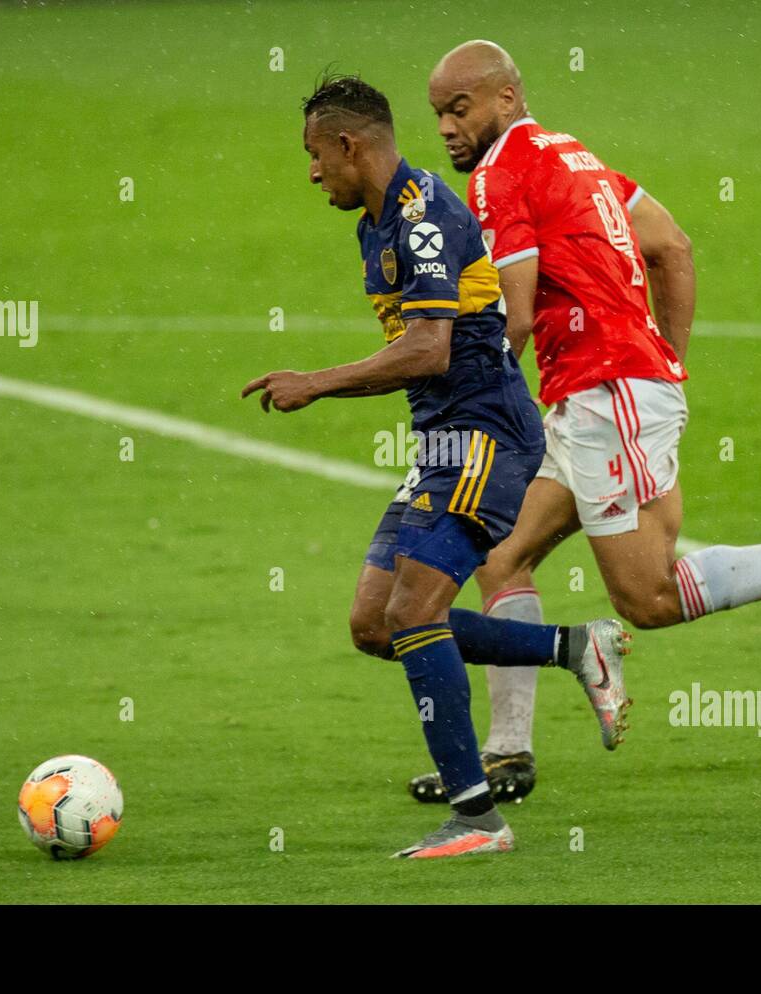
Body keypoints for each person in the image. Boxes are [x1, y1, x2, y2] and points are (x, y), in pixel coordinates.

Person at [402, 40, 761, 804]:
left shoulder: (501, 175)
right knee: (501, 557)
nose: (447, 129)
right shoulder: (575, 157)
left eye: (459, 109)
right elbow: (673, 246)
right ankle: (507, 754)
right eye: (437, 116)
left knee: (648, 599)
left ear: (506, 99)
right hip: (605, 392)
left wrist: (478, 408)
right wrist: (665, 361)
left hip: (605, 395)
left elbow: (514, 315)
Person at [243, 74, 633, 859]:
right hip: (443, 444)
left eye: (316, 154)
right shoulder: (372, 224)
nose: (312, 171)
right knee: (373, 624)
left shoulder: (422, 220)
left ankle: (478, 819)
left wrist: (314, 383)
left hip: (486, 434)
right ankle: (575, 648)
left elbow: (430, 347)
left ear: (350, 145)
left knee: (413, 615)